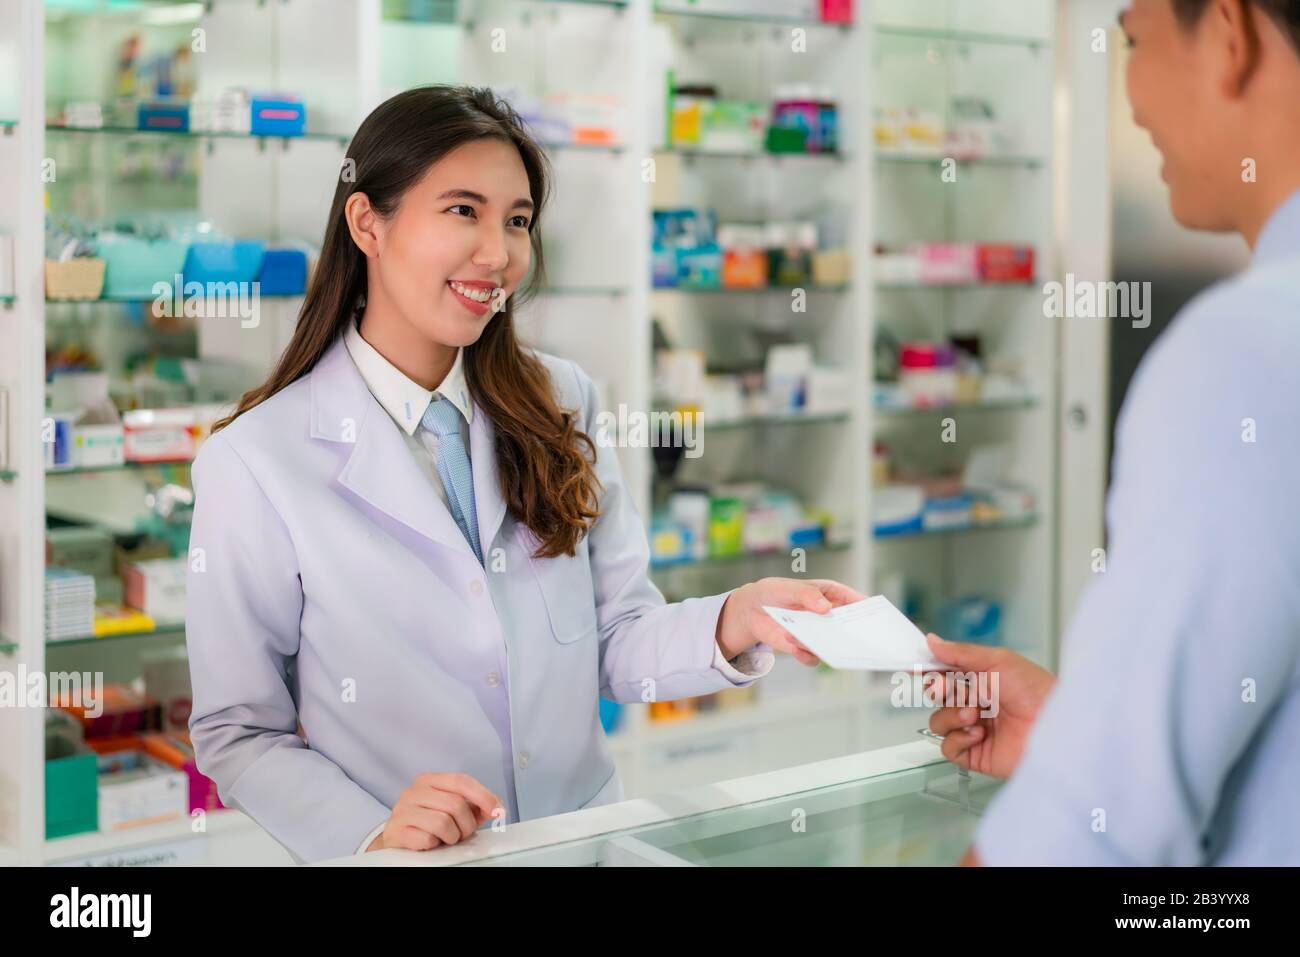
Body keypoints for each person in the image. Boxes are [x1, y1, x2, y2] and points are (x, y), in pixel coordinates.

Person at [185, 85, 859, 865]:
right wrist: (371, 832)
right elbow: (239, 731)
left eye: (517, 220)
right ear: (367, 221)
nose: (498, 254)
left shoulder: (560, 399)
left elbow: (616, 639)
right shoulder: (257, 461)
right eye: (463, 211)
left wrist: (741, 616)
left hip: (585, 848)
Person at [926, 0, 1300, 865]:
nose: (1128, 99)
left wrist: (1084, 775)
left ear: (1232, 35)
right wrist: (1088, 725)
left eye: (1132, 40)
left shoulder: (1244, 352)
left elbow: (1080, 839)